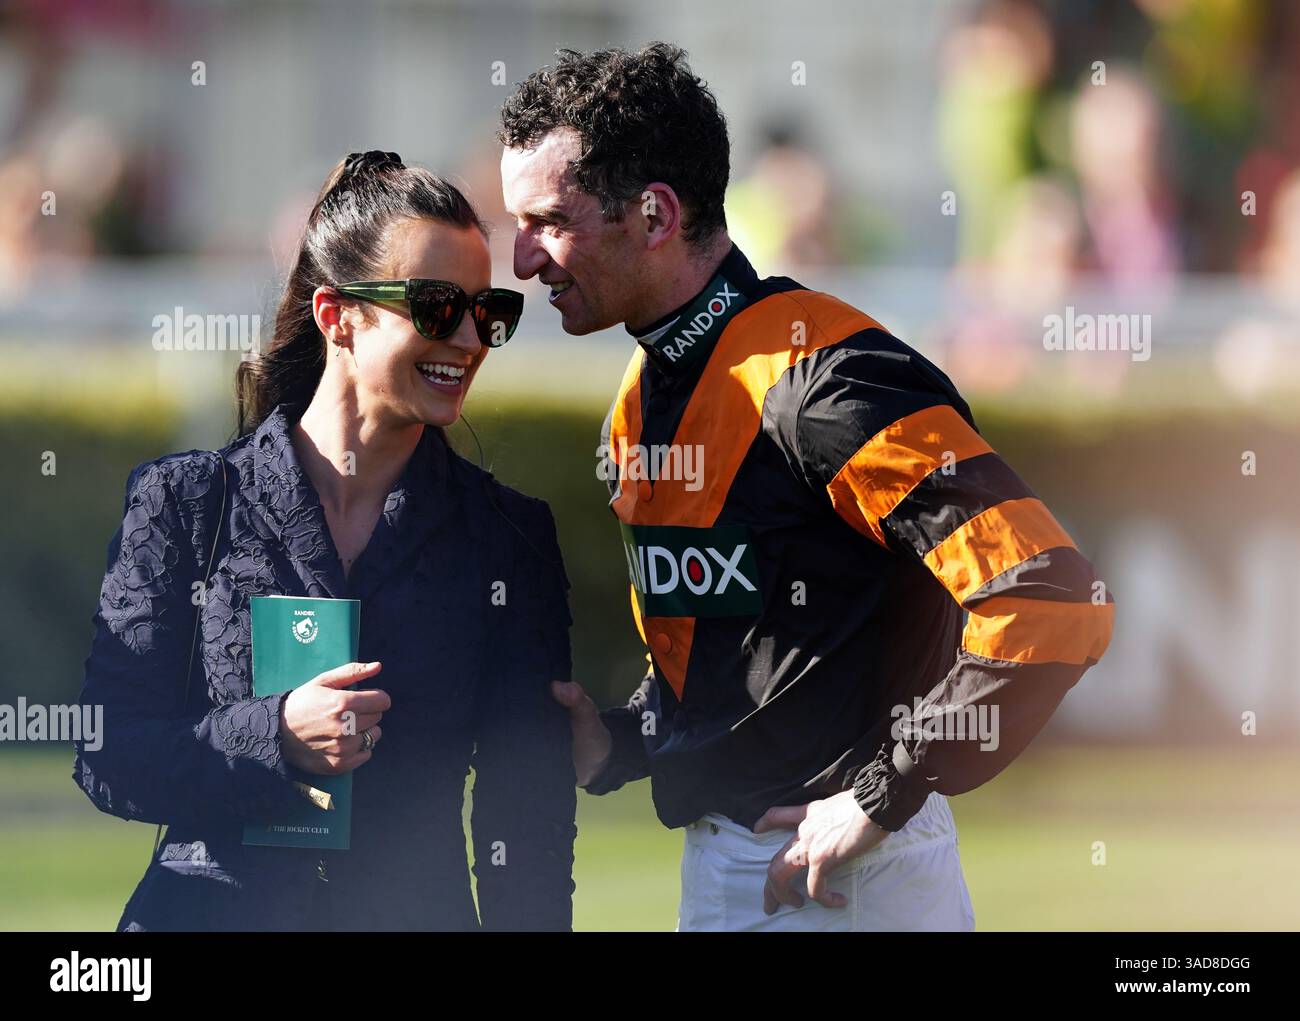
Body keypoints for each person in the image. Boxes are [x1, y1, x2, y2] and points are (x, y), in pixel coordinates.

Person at [499, 45, 1115, 931]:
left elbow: (1054, 600)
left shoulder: (829, 381)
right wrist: (624, 739)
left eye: (548, 220)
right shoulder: (641, 401)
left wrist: (879, 794)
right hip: (734, 866)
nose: (523, 259)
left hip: (845, 880)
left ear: (656, 213)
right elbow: (752, 657)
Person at [73, 150, 576, 931]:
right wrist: (271, 734)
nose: (472, 339)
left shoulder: (507, 536)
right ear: (339, 316)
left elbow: (528, 814)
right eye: (442, 307)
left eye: (491, 312)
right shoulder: (185, 503)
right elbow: (108, 757)